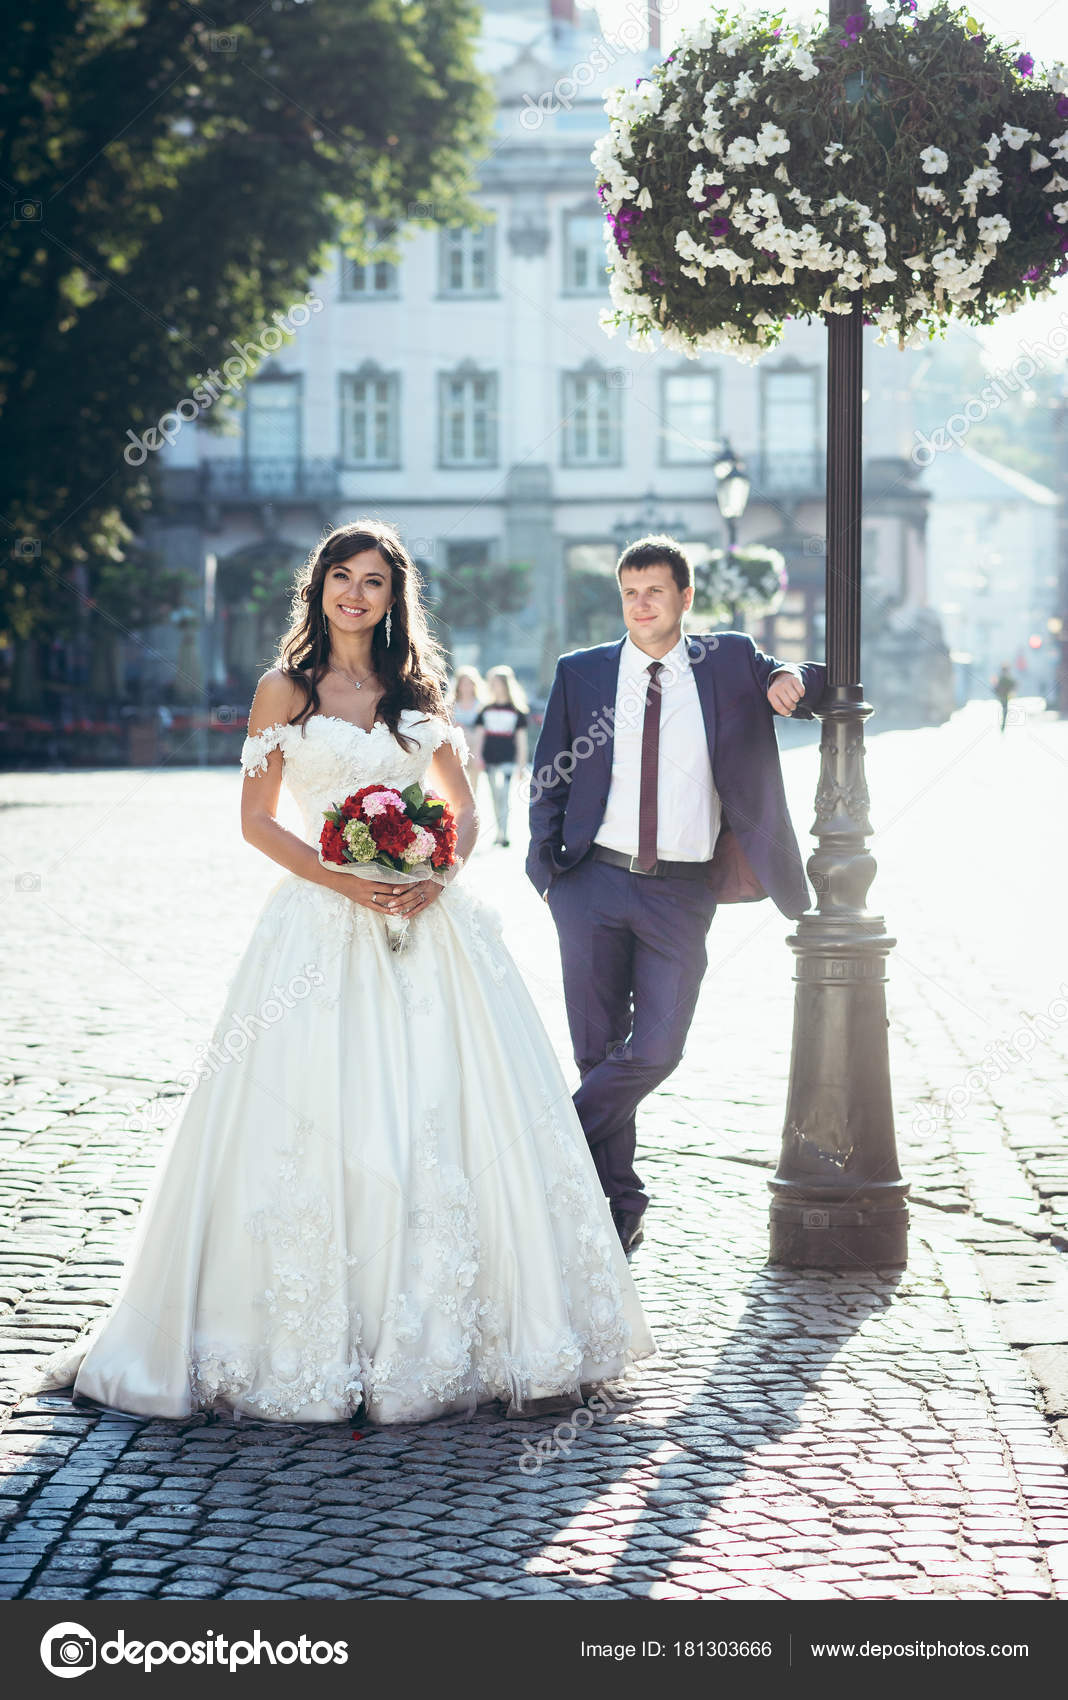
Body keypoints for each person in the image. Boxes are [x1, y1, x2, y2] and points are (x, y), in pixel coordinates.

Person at [30, 520, 654, 1425]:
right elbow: (257, 821)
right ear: (317, 586)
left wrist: (436, 871)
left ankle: (481, 1333)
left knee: (449, 1110)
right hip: (321, 923)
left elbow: (465, 808)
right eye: (340, 577)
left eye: (373, 581)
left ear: (395, 597)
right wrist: (351, 882)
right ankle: (296, 1337)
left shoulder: (416, 690)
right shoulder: (282, 689)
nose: (355, 593)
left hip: (429, 922)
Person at [527, 534, 826, 1258]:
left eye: (655, 591)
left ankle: (543, 1147)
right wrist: (550, 877)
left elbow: (818, 675)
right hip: (592, 882)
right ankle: (619, 1205)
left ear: (685, 598)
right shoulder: (584, 673)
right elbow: (548, 778)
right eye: (630, 592)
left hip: (681, 892)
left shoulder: (725, 663)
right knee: (598, 1055)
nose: (640, 604)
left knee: (658, 1049)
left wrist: (793, 678)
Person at [473, 664, 528, 848]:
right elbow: (480, 736)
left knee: (504, 795)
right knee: (493, 795)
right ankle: (498, 832)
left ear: (506, 684)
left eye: (497, 683)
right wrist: (478, 756)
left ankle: (503, 834)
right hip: (489, 758)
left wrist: (521, 765)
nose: (494, 686)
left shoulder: (516, 711)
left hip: (507, 759)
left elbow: (521, 742)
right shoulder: (485, 710)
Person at [446, 664, 487, 761]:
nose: (466, 687)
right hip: (455, 746)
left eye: (469, 683)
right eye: (463, 683)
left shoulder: (481, 705)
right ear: (458, 685)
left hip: (475, 747)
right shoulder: (450, 704)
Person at [992, 664, 1016, 732]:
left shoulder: (1001, 678)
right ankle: (1003, 726)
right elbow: (1013, 684)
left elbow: (996, 688)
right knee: (1004, 711)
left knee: (1004, 711)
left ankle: (1002, 725)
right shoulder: (1005, 678)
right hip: (1004, 697)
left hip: (1002, 697)